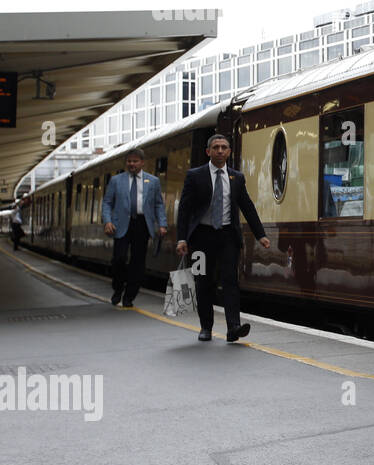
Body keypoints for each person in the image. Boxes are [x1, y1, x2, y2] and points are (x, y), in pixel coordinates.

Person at [175, 133, 270, 343]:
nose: (220, 151)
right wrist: (182, 239)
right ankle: (206, 327)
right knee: (203, 282)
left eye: (224, 147)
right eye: (216, 147)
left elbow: (247, 206)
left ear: (229, 152)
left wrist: (260, 234)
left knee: (230, 281)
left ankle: (233, 328)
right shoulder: (195, 175)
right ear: (208, 152)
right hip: (201, 237)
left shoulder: (237, 177)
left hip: (228, 236)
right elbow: (184, 210)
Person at [101, 149, 167, 306]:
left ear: (142, 163)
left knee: (138, 262)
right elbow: (107, 202)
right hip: (121, 224)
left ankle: (129, 296)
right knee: (119, 258)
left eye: (135, 161)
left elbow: (158, 204)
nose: (132, 164)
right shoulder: (116, 180)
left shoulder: (153, 181)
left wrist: (162, 224)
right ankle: (118, 288)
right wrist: (108, 221)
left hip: (142, 224)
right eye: (129, 161)